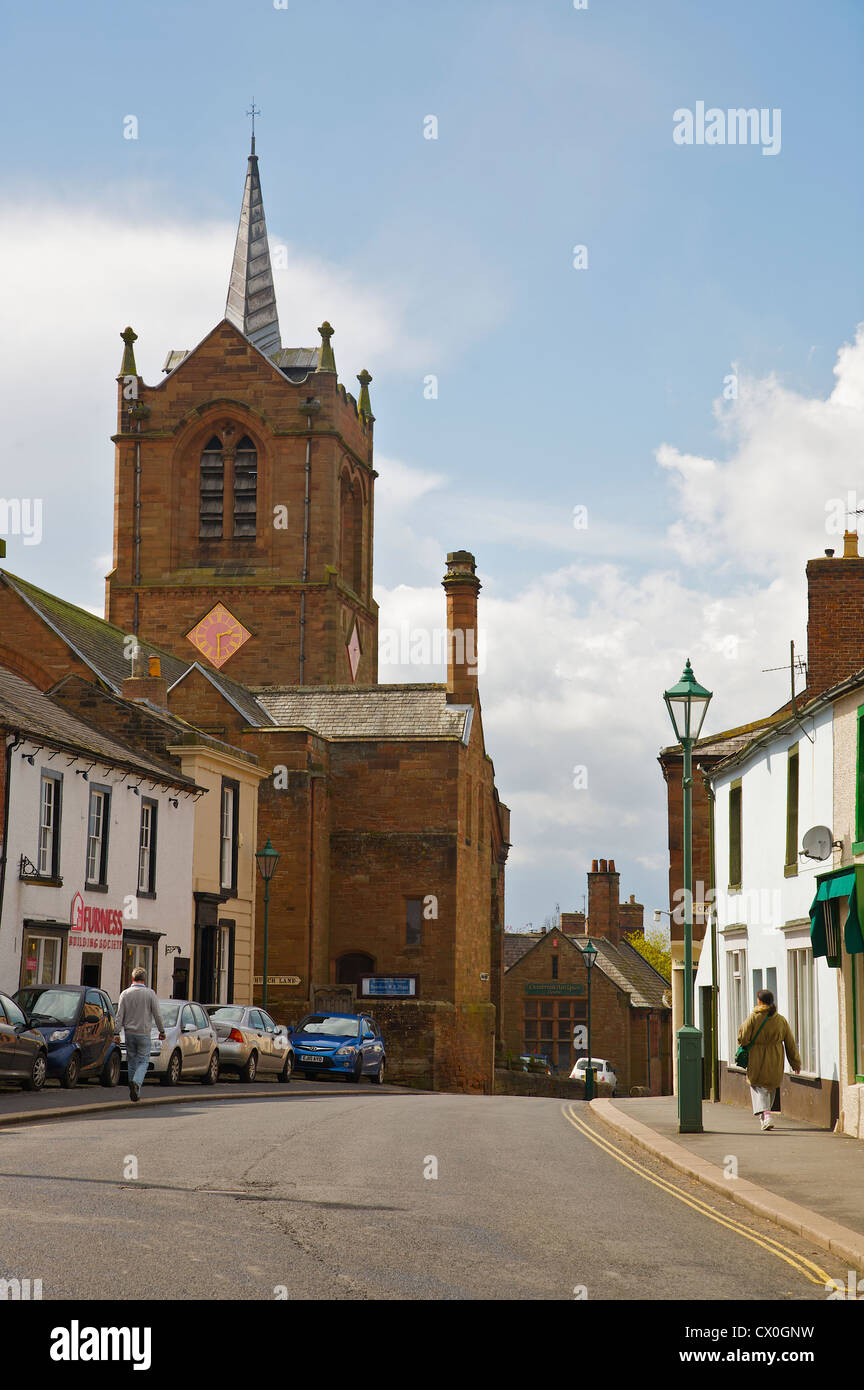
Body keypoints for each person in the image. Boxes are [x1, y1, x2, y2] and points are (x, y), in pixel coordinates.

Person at [737, 989, 801, 1131]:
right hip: (776, 1056)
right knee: (770, 1087)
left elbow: (743, 1037)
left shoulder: (753, 1017)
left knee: (757, 1085)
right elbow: (790, 1042)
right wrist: (795, 1062)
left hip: (757, 1056)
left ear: (759, 1001)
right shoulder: (780, 1020)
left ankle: (766, 1114)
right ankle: (765, 1118)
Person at [115, 967, 165, 1103]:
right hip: (143, 1033)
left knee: (132, 1061)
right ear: (144, 979)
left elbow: (119, 1015)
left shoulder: (125, 994)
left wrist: (116, 1032)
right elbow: (157, 1014)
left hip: (129, 1033)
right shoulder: (150, 994)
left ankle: (135, 1090)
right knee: (143, 1061)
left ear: (132, 978)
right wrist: (162, 1031)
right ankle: (136, 1083)